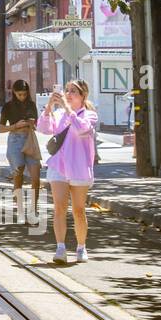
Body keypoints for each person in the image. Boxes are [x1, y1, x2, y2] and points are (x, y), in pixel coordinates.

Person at [38, 80, 98, 263]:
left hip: (79, 168)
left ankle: (81, 247)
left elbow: (82, 129)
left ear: (83, 96)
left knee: (79, 210)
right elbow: (43, 128)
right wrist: (49, 107)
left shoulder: (90, 115)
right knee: (59, 208)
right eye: (67, 91)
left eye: (74, 92)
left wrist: (67, 108)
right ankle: (60, 248)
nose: (69, 94)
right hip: (58, 167)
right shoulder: (59, 114)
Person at [0, 80, 41, 218]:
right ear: (14, 93)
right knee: (18, 172)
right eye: (19, 94)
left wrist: (32, 123)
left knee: (36, 176)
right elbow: (1, 128)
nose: (22, 97)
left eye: (24, 94)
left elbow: (36, 123)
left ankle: (34, 209)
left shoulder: (31, 105)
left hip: (29, 139)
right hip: (15, 140)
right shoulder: (8, 106)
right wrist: (15, 126)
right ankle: (19, 206)